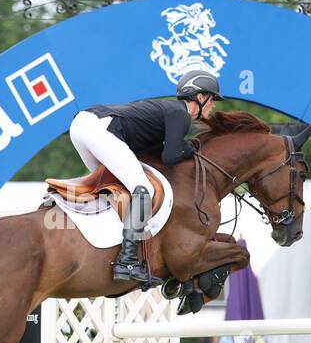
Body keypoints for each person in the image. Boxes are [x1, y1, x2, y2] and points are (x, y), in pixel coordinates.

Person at [68, 69, 219, 286]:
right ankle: (127, 261)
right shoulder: (181, 114)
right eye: (212, 99)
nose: (213, 105)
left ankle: (101, 247)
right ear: (200, 97)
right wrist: (193, 148)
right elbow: (171, 156)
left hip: (82, 125)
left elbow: (156, 153)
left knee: (112, 191)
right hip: (97, 128)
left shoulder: (168, 112)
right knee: (143, 189)